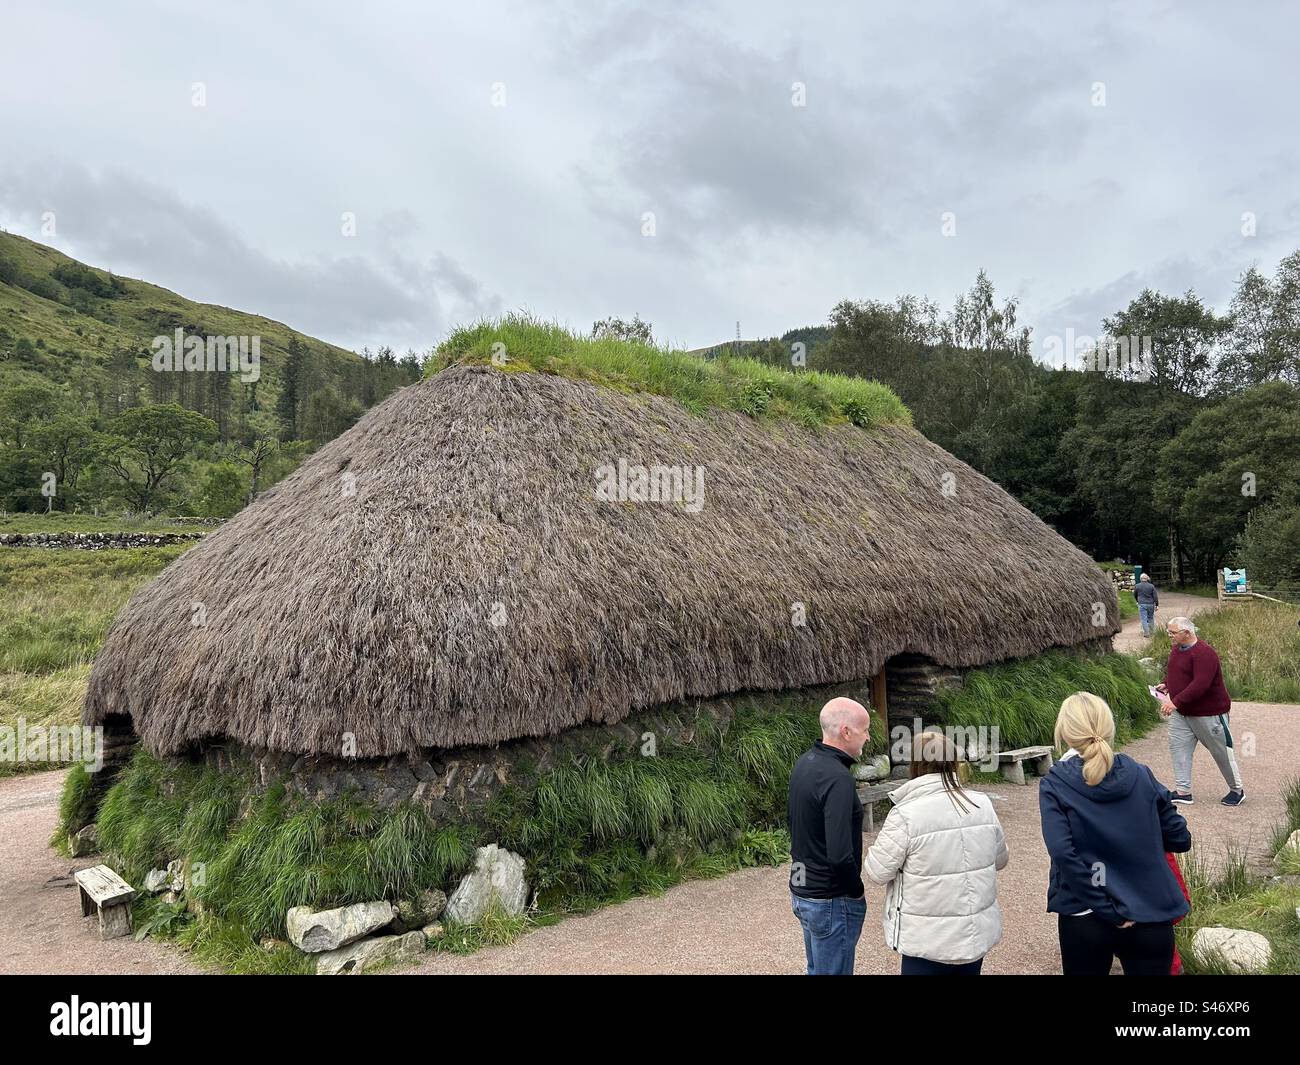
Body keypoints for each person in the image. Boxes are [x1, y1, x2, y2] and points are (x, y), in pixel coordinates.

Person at [1039, 692, 1191, 975]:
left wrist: (1107, 908)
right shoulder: (1140, 773)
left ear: (1065, 733)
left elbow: (1063, 853)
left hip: (1085, 914)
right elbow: (1180, 838)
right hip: (1149, 908)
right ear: (1110, 726)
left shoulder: (1055, 783)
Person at [863, 731, 1008, 974]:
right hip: (973, 935)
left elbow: (876, 872)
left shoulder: (906, 814)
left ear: (915, 765)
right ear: (953, 762)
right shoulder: (982, 804)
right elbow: (1001, 859)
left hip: (927, 939)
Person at [788, 697, 871, 975]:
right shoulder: (838, 777)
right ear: (846, 731)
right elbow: (839, 853)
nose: (868, 737)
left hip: (803, 891)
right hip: (830, 897)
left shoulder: (805, 763)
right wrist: (856, 891)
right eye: (865, 730)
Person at [1156, 616, 1245, 807]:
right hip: (1182, 714)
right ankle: (1183, 791)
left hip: (1208, 713)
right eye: (1169, 632)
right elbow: (1176, 672)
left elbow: (1200, 684)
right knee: (1178, 749)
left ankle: (1237, 790)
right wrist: (1166, 684)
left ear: (1187, 632)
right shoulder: (1176, 649)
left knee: (1221, 751)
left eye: (1173, 632)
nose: (1170, 636)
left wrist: (1175, 702)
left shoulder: (1205, 653)